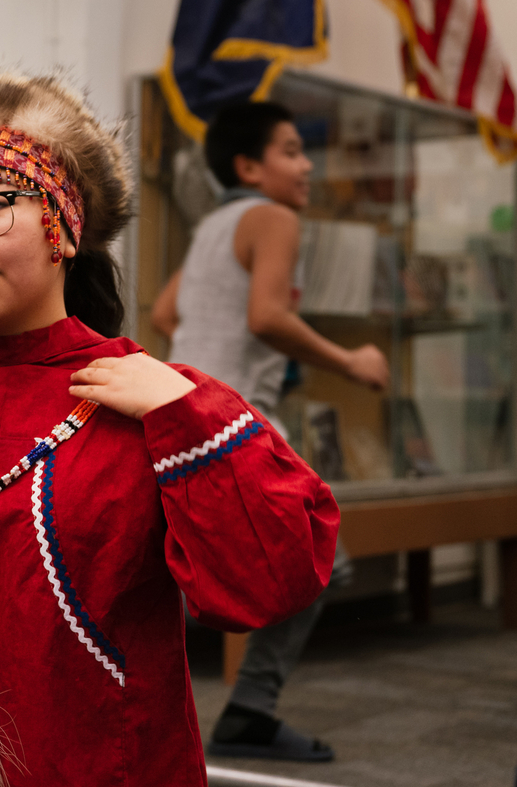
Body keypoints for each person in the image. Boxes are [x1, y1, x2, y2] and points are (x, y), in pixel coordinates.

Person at [0, 66, 340, 786]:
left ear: (63, 228)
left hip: (104, 762)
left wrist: (185, 410)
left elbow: (270, 581)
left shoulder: (146, 396)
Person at [151, 102, 389, 762]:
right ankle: (251, 705)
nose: (307, 163)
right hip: (230, 421)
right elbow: (265, 317)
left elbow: (169, 309)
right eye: (290, 150)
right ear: (248, 166)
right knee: (321, 562)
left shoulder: (213, 227)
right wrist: (352, 361)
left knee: (187, 560)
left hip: (176, 408)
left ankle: (209, 701)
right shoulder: (274, 217)